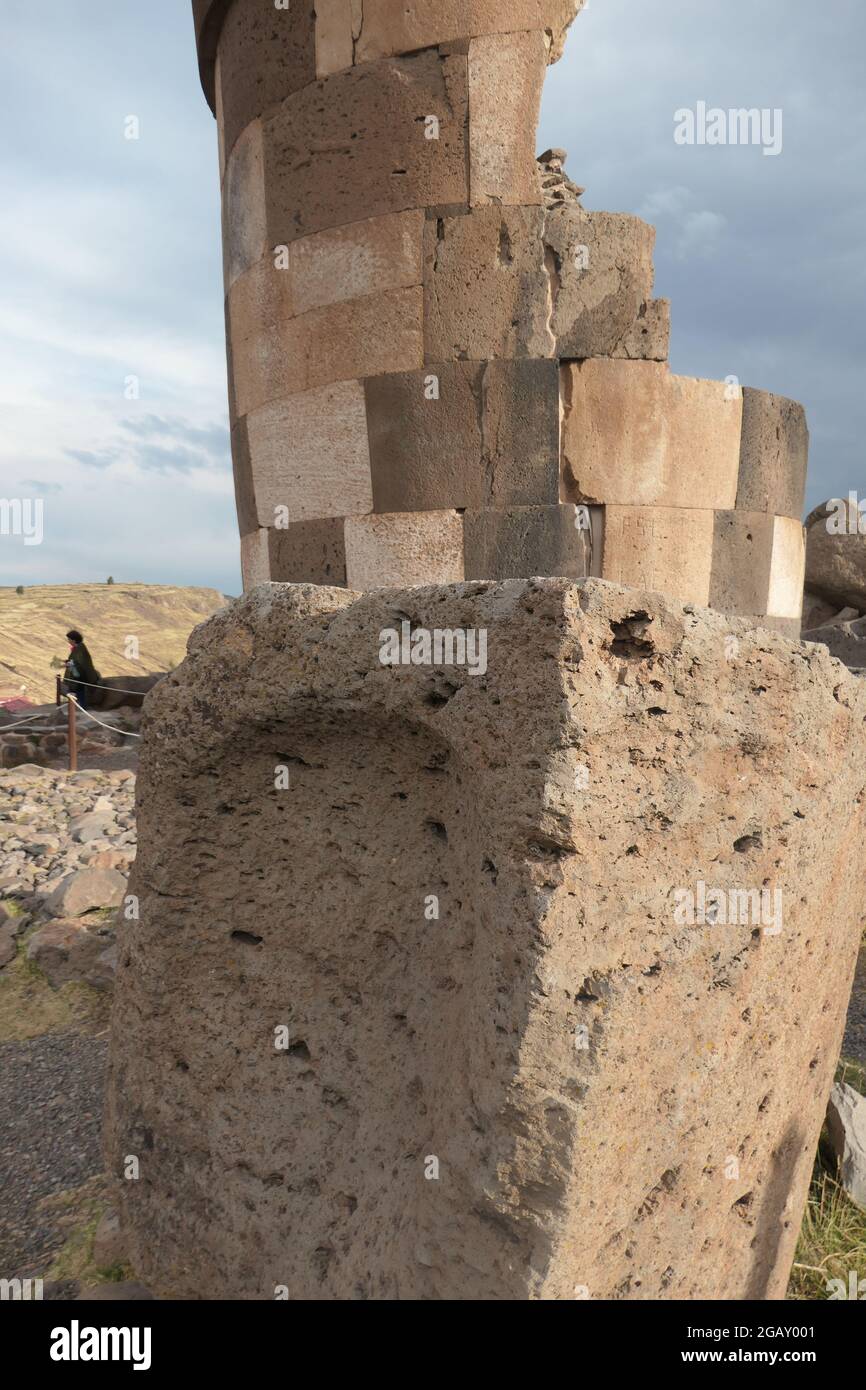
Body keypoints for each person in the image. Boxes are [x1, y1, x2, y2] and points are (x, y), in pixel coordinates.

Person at [63, 630, 101, 709]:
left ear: (73, 640)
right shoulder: (79, 647)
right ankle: (79, 707)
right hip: (77, 674)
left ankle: (81, 708)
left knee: (78, 692)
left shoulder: (79, 649)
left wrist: (69, 664)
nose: (68, 641)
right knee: (77, 692)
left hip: (79, 675)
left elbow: (80, 663)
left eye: (69, 639)